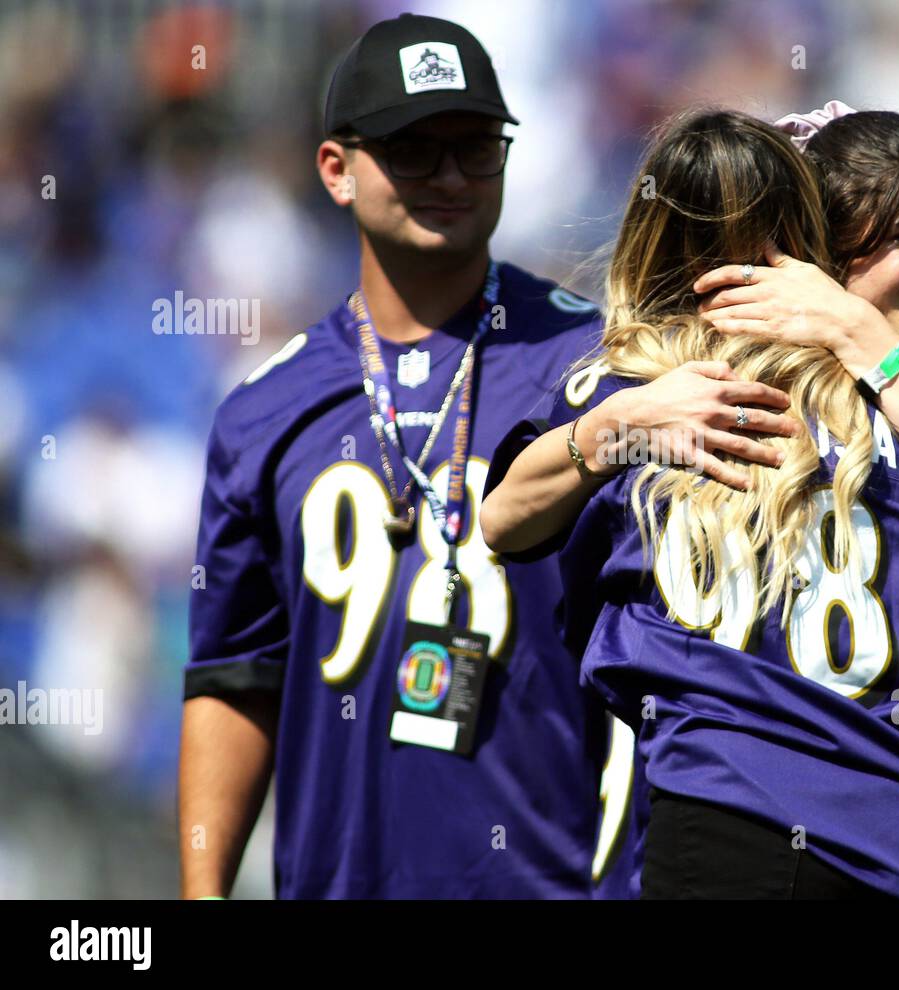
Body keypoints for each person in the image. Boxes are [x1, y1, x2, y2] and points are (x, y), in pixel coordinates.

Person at [484, 106, 899, 898]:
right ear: (818, 245)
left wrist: (850, 325)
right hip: (725, 816)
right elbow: (502, 520)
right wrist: (613, 430)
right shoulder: (670, 366)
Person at [177, 14, 705, 899]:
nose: (451, 176)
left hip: (555, 880)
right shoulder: (264, 408)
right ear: (337, 171)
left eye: (476, 147)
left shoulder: (603, 368)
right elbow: (237, 678)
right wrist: (201, 891)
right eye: (414, 150)